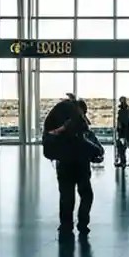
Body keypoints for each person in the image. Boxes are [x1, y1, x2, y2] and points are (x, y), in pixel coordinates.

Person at [45, 93, 94, 238]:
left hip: (63, 162)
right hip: (80, 163)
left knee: (66, 195)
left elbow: (51, 134)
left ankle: (66, 224)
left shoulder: (58, 116)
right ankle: (83, 222)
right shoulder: (78, 120)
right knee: (86, 194)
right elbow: (84, 139)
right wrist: (95, 152)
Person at [115, 96, 129, 169]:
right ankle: (123, 162)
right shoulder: (121, 111)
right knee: (122, 148)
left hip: (128, 132)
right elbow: (119, 121)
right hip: (123, 132)